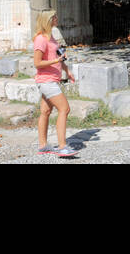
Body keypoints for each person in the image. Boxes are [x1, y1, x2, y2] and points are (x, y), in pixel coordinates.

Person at [33, 10, 77, 157]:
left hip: (52, 80)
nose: (57, 18)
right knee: (65, 109)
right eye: (54, 17)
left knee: (45, 112)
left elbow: (60, 56)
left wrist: (67, 70)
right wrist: (55, 61)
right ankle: (63, 147)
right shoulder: (40, 39)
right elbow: (37, 63)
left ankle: (43, 146)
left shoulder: (52, 37)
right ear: (47, 20)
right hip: (46, 81)